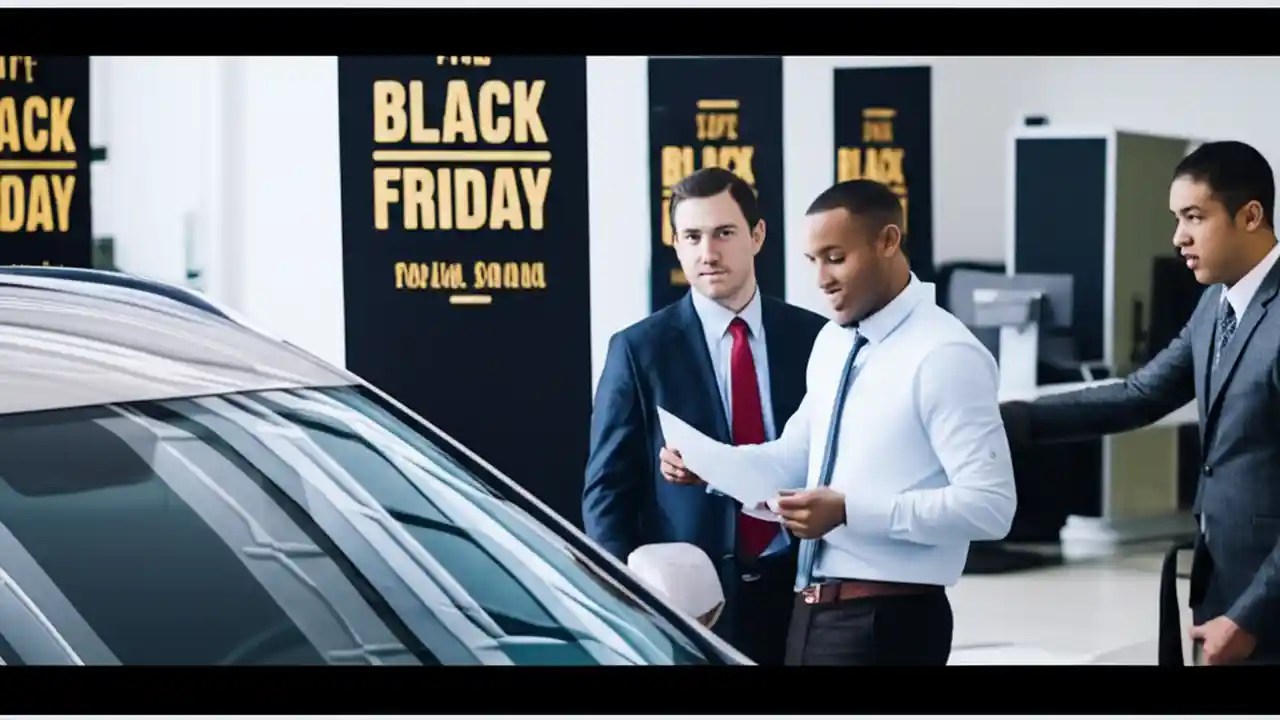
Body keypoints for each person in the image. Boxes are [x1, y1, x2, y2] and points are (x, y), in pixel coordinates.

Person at [660, 178, 1017, 665]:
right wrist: (709, 467)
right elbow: (793, 457)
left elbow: (990, 507)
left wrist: (850, 511)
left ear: (888, 241)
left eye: (836, 258)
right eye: (813, 260)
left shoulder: (945, 354)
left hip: (890, 620)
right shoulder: (833, 341)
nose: (822, 279)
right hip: (812, 613)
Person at [1000, 140, 1280, 666]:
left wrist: (1252, 615)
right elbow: (1140, 395)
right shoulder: (1215, 304)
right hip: (1221, 587)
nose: (1179, 237)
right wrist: (1009, 420)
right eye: (1177, 219)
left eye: (1194, 217)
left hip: (1264, 603)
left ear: (1250, 216)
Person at [582, 167, 827, 665]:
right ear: (676, 244)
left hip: (804, 586)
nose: (707, 252)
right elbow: (607, 491)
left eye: (724, 233)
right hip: (694, 602)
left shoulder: (815, 339)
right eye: (692, 236)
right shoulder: (639, 350)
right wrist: (625, 602)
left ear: (757, 236)